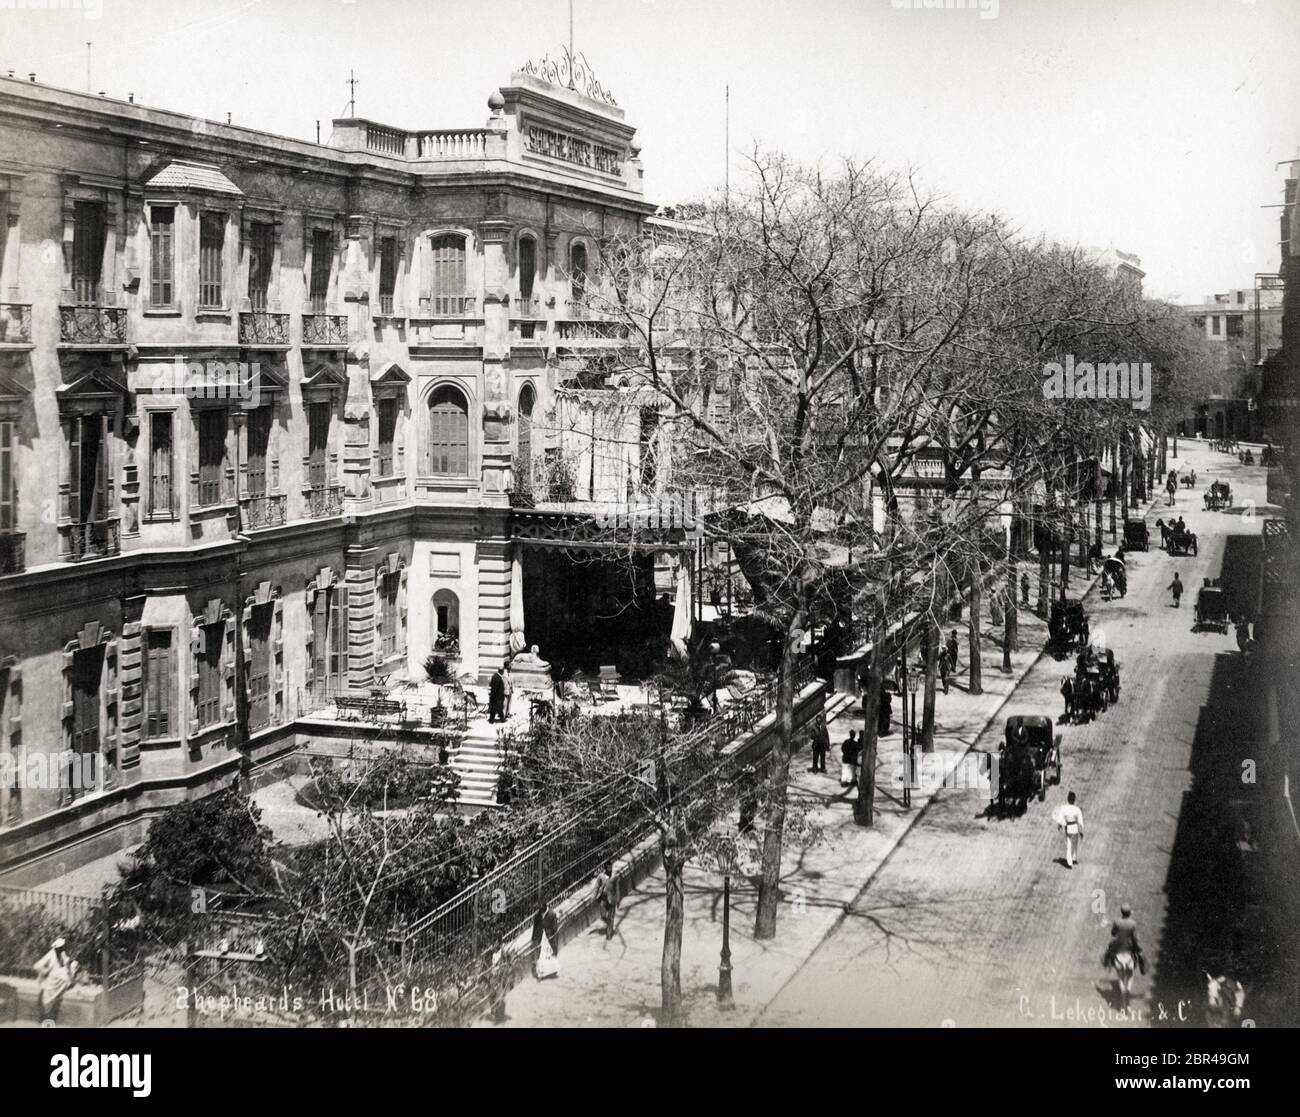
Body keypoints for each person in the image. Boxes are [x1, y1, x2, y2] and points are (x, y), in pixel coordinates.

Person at [34, 938, 77, 1023]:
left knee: (53, 1011)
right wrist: (45, 971)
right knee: (46, 1009)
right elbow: (37, 966)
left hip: (59, 986)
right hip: (50, 985)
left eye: (62, 948)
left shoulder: (66, 957)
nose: (61, 950)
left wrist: (68, 966)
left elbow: (70, 976)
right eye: (59, 948)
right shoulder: (52, 954)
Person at [1103, 904, 1146, 987]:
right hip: (1129, 945)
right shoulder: (1133, 923)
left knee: (1108, 950)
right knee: (1141, 954)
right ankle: (1142, 968)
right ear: (1129, 913)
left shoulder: (1117, 921)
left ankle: (1107, 963)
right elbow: (1135, 937)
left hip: (1119, 944)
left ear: (1121, 912)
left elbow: (1113, 933)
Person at [1054, 791, 1084, 868]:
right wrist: (1081, 831)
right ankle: (1074, 858)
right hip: (1075, 828)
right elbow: (1080, 821)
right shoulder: (1077, 809)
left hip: (1068, 828)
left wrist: (1059, 825)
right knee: (1075, 843)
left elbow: (1060, 818)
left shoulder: (1064, 808)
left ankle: (1069, 862)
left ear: (1068, 799)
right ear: (1074, 800)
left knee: (1069, 845)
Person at [531, 902, 560, 980]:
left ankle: (554, 970)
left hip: (549, 938)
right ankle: (542, 973)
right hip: (541, 938)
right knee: (541, 956)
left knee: (551, 954)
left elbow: (555, 929)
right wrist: (533, 938)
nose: (541, 913)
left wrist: (554, 939)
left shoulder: (552, 914)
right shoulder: (537, 917)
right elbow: (535, 928)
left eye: (542, 911)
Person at [594, 861, 618, 942]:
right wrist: (594, 896)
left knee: (610, 917)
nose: (610, 869)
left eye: (611, 867)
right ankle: (609, 924)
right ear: (605, 868)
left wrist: (618, 900)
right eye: (608, 868)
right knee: (603, 915)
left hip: (612, 899)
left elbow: (617, 889)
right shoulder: (601, 876)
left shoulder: (614, 877)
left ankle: (609, 934)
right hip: (603, 899)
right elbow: (596, 887)